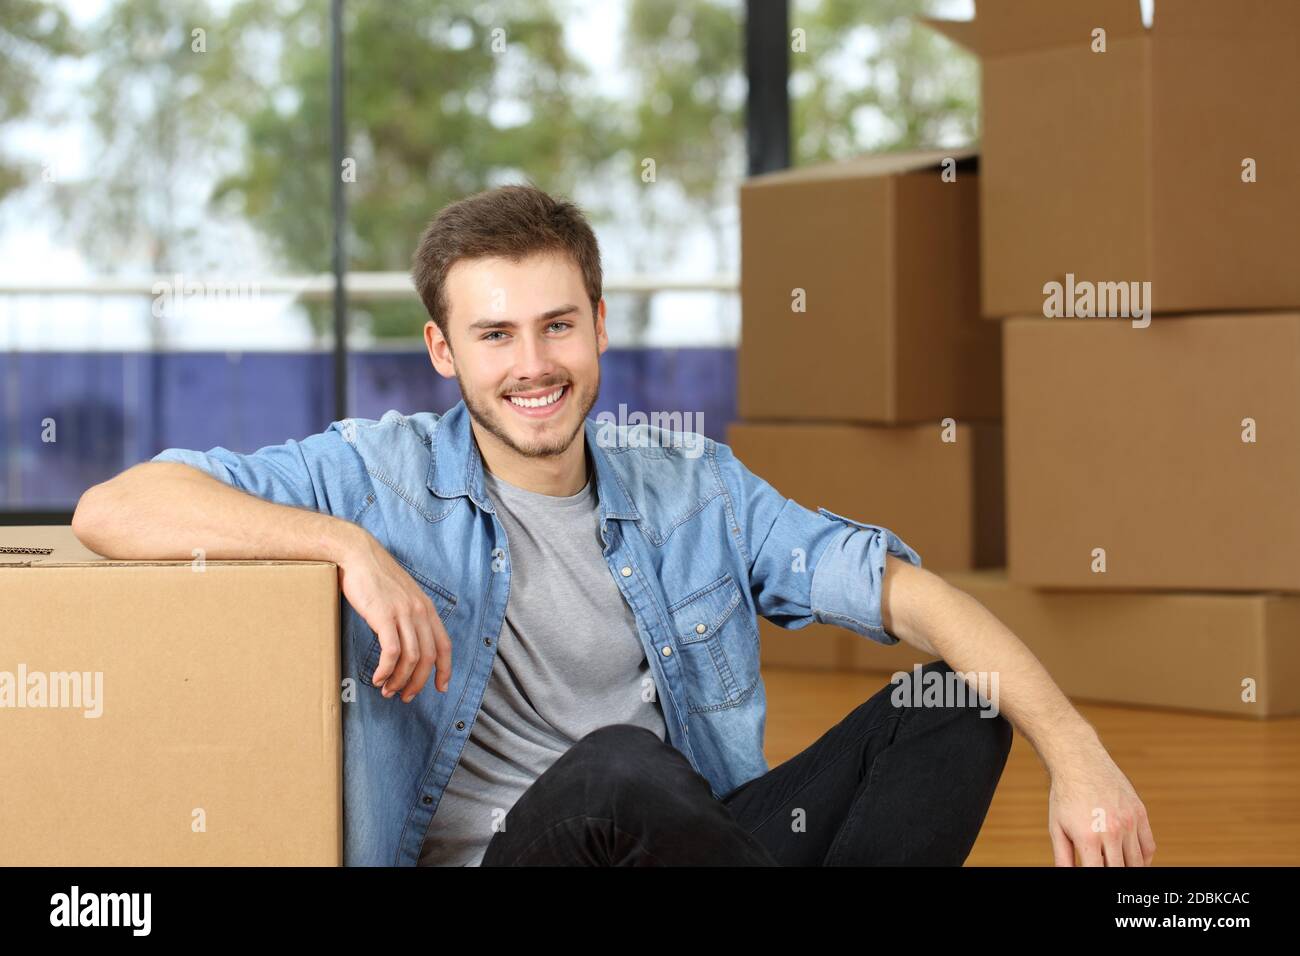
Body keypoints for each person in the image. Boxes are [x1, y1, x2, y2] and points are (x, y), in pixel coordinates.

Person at [71, 184, 1155, 868]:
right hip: (517, 855)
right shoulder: (373, 473)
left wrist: (1081, 754)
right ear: (444, 352)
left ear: (598, 324)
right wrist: (347, 547)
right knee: (619, 765)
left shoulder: (693, 486)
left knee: (955, 697)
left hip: (693, 844)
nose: (532, 363)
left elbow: (906, 591)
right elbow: (113, 507)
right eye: (494, 334)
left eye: (556, 324)